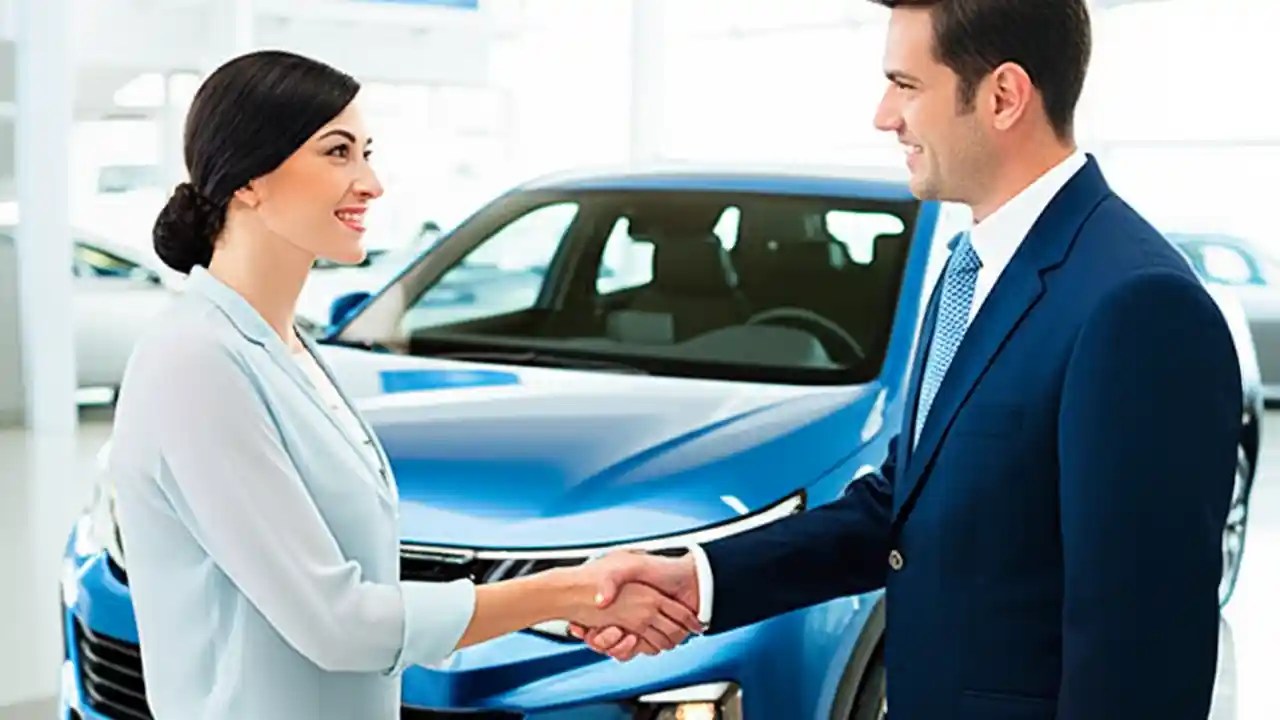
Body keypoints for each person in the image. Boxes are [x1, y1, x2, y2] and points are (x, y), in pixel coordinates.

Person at [571, 1, 1242, 718]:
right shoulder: (971, 267)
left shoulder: (1137, 306)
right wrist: (699, 580)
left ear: (1003, 97)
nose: (884, 116)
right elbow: (906, 508)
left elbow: (1139, 654)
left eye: (906, 85)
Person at [107, 50, 701, 720]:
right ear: (248, 179)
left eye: (366, 152)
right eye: (339, 153)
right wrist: (566, 591)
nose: (371, 183)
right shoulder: (196, 361)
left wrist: (565, 610)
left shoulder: (286, 346)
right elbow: (339, 622)